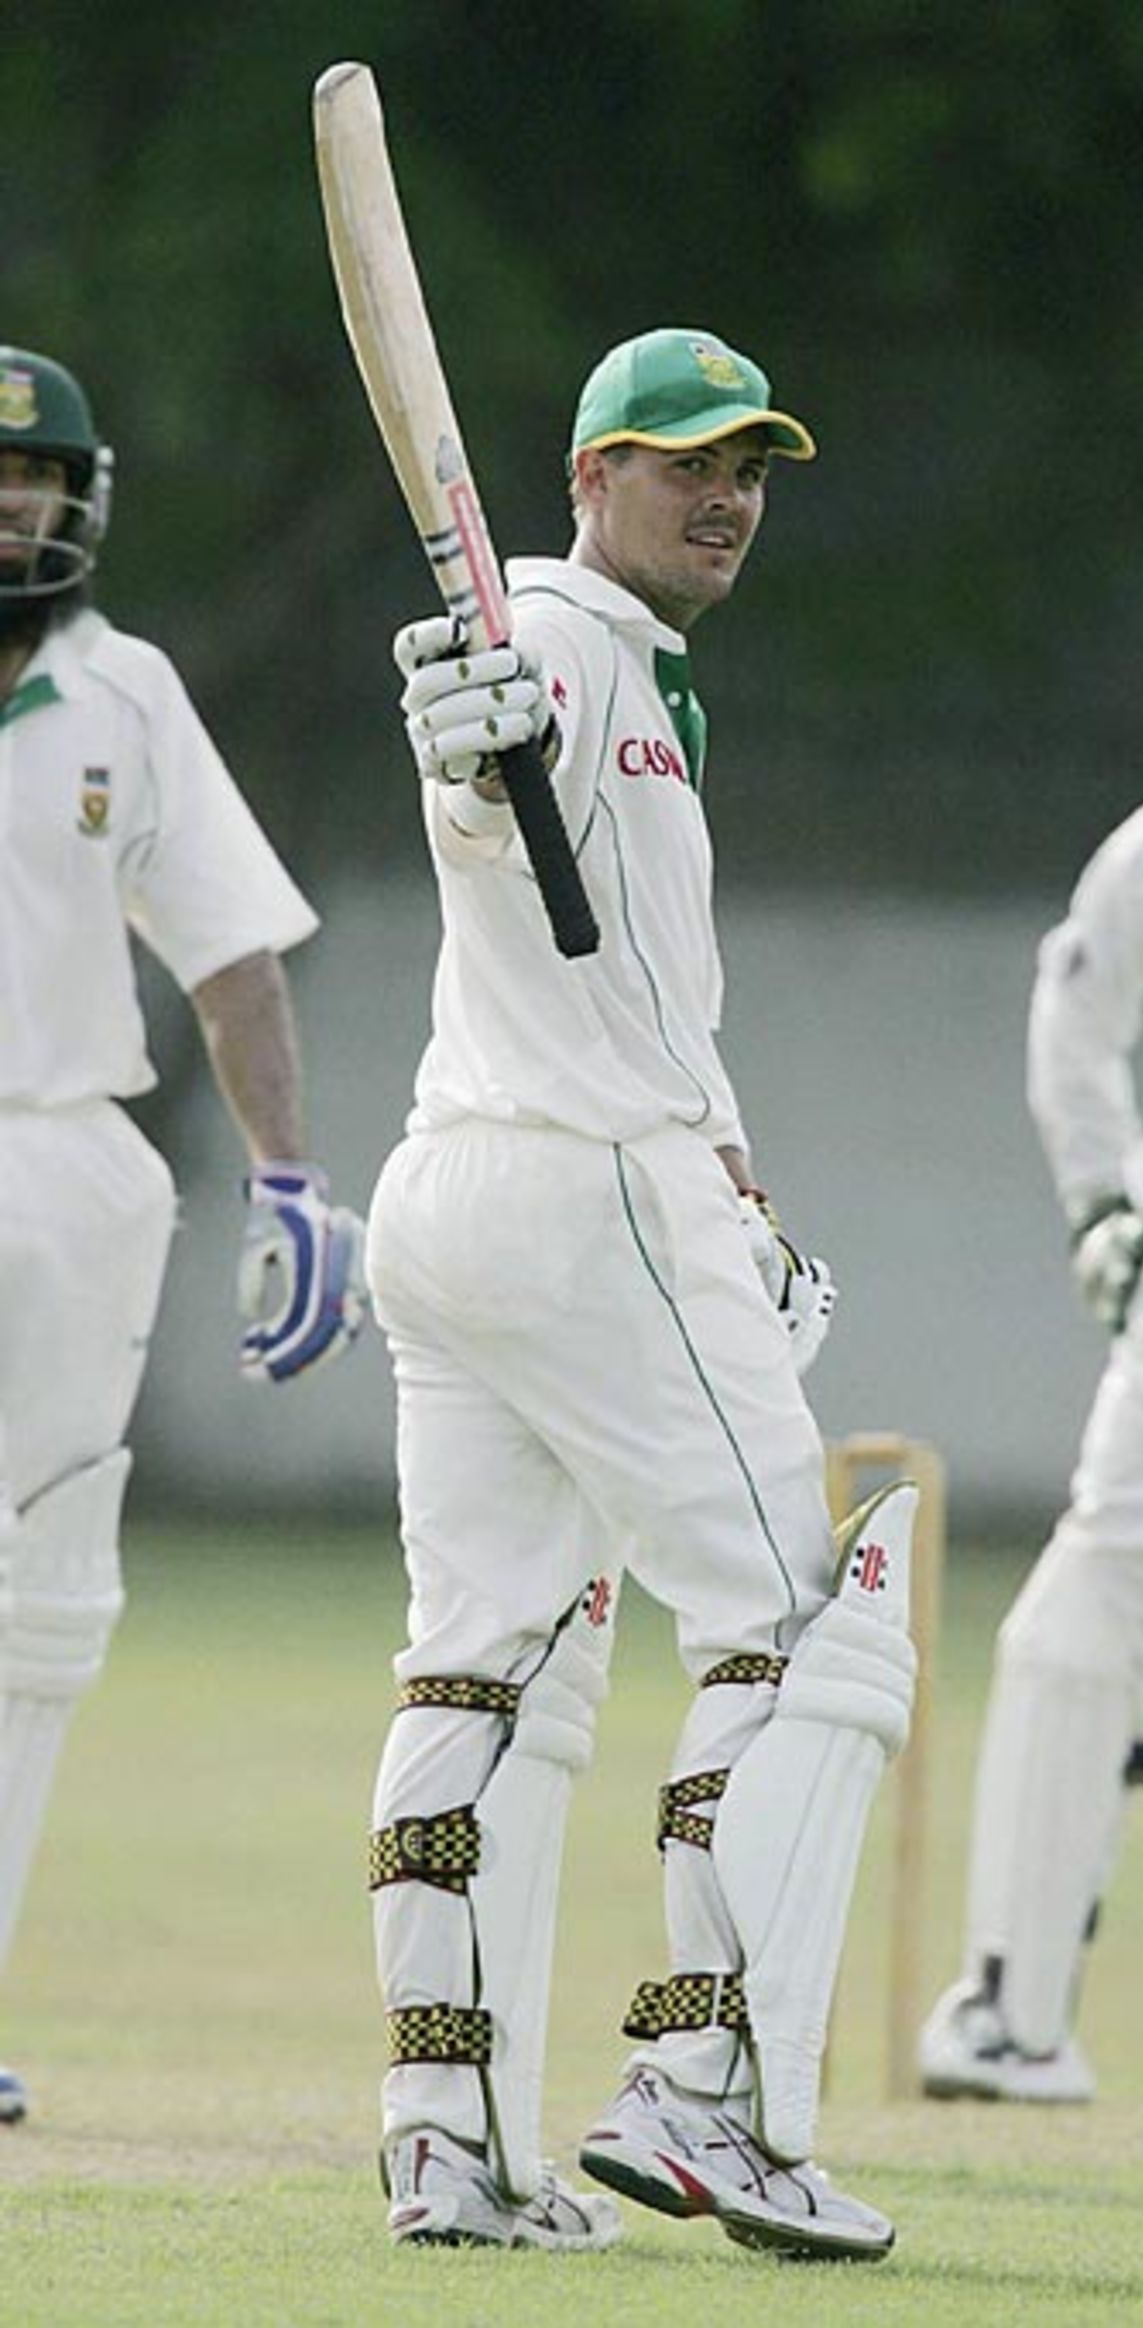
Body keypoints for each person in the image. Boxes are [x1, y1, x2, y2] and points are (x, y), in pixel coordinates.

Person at [364, 325, 919, 2259]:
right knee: (810, 1630)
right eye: (687, 461)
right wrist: (462, 728)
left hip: (464, 1192)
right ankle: (710, 2092)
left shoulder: (641, 683)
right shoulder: (553, 630)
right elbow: (483, 732)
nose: (730, 495)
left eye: (753, 466)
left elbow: (629, 961)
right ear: (590, 476)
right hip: (587, 1191)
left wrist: (733, 1162)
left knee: (488, 1664)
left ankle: (456, 2137)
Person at [0, 343, 366, 2125]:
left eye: (41, 479)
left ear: (80, 496)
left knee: (42, 1605)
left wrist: (288, 1181)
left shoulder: (123, 693)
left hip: (66, 1167)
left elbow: (227, 951)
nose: (16, 505)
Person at [919, 783, 1143, 2102]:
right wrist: (1099, 1199)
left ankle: (1012, 2011)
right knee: (1085, 1630)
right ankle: (1015, 2013)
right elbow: (1078, 1008)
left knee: (1085, 1627)